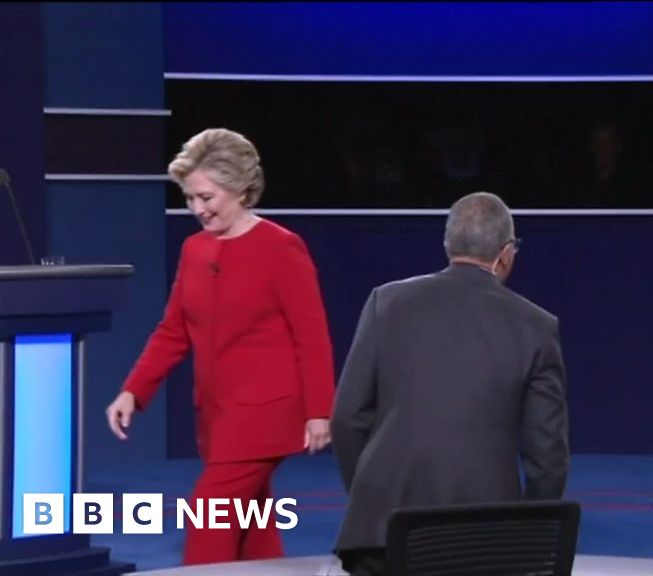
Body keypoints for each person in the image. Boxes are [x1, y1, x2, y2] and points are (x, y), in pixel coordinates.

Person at [104, 128, 335, 565]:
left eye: (206, 197)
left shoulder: (281, 248)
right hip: (216, 417)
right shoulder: (194, 250)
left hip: (263, 416)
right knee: (254, 537)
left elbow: (312, 336)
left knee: (209, 526)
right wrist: (133, 391)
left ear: (241, 189)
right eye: (189, 199)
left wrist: (319, 410)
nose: (197, 209)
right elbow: (174, 331)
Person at [330, 191, 570, 576]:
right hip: (482, 540)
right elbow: (548, 457)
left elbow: (346, 418)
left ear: (447, 244)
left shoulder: (387, 302)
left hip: (380, 531)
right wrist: (527, 536)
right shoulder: (536, 328)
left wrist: (371, 494)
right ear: (507, 253)